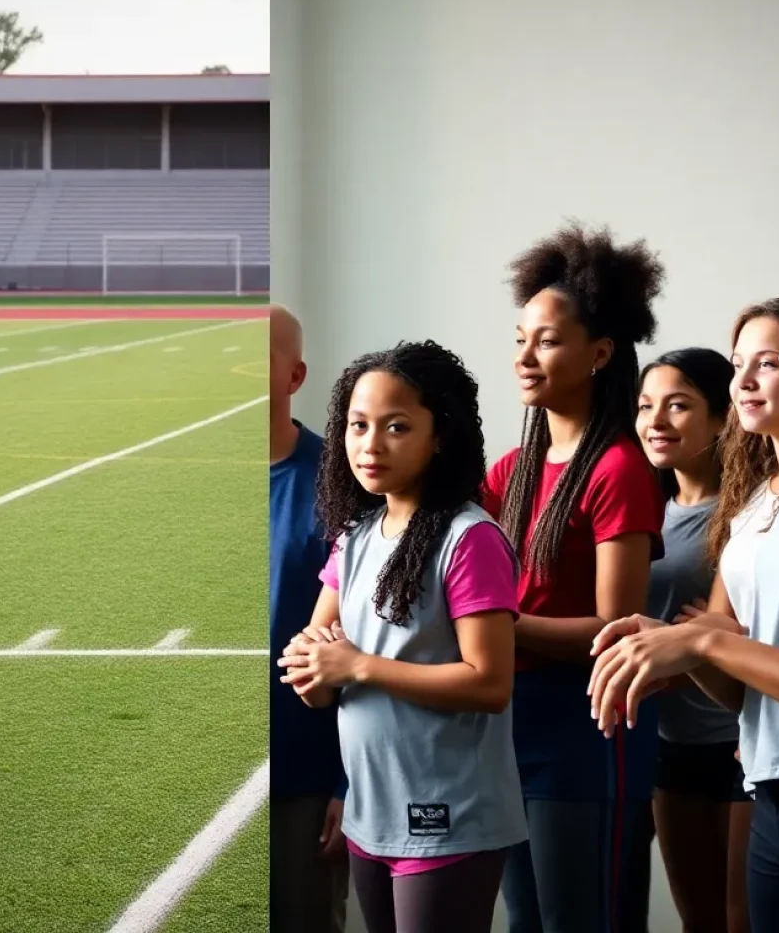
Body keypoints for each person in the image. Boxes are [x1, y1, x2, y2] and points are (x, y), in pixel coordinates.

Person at [279, 340, 527, 933]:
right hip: (372, 810)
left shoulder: (470, 539)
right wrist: (313, 673)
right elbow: (317, 659)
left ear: (439, 435)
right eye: (358, 425)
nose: (370, 444)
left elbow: (489, 683)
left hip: (449, 816)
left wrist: (356, 667)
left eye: (396, 426)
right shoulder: (356, 535)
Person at [481, 223, 667, 932]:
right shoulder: (510, 469)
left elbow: (615, 631)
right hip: (507, 726)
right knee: (528, 922)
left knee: (576, 922)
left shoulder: (619, 469)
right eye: (521, 336)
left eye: (548, 340)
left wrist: (499, 629)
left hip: (585, 731)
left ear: (599, 353)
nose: (526, 355)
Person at [589, 298, 779, 933]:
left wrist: (700, 644)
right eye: (739, 364)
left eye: (770, 364)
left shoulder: (735, 511)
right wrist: (676, 641)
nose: (747, 380)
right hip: (758, 771)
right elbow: (734, 687)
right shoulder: (753, 511)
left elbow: (716, 646)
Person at [636, 349, 752, 932]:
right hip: (667, 740)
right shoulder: (641, 510)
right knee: (698, 919)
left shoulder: (748, 516)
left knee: (741, 920)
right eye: (646, 406)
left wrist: (713, 633)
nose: (656, 421)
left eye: (678, 405)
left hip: (738, 740)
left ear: (722, 416)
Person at [268, 304, 348, 933]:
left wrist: (346, 783)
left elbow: (361, 644)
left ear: (295, 376)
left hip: (302, 772)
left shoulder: (338, 484)